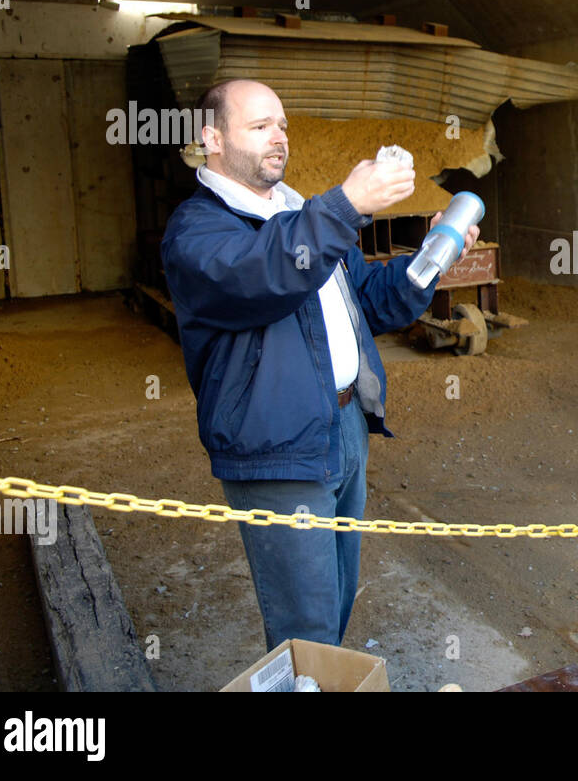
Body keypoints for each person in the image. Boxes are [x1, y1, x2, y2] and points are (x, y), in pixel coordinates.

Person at [161, 79, 478, 651]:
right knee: (303, 629)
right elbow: (263, 276)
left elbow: (370, 300)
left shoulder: (298, 212)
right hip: (277, 446)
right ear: (211, 138)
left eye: (282, 125)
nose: (278, 138)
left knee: (335, 597)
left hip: (345, 425)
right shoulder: (198, 229)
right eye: (259, 127)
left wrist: (431, 256)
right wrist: (346, 205)